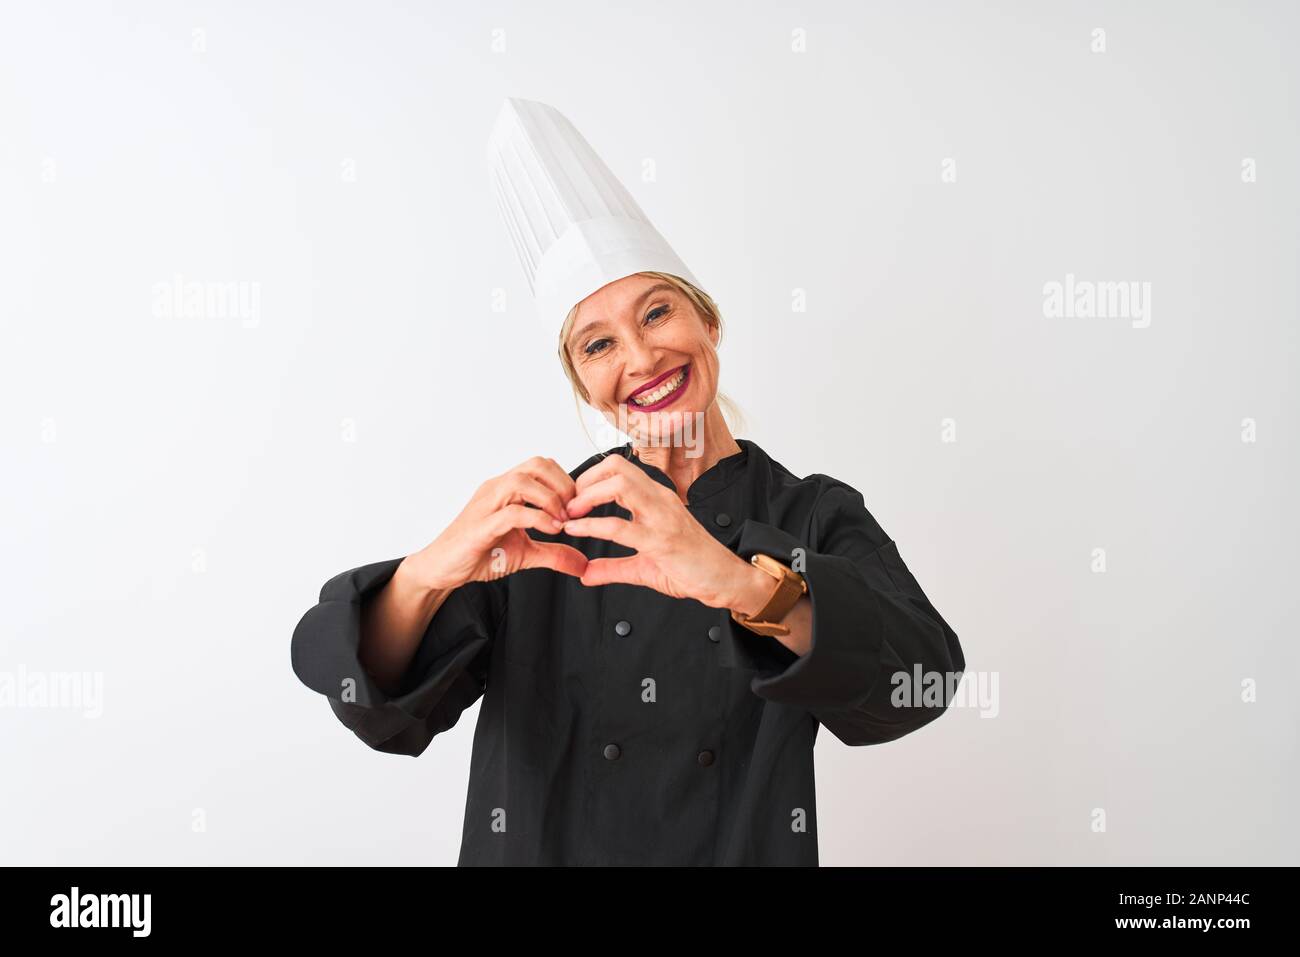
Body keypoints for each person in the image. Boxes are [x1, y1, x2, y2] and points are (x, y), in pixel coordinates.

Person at [290, 99, 964, 866]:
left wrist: (745, 586)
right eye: (599, 342)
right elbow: (378, 705)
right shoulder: (542, 527)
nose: (641, 359)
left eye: (657, 312)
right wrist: (428, 572)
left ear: (709, 323)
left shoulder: (809, 512)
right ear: (584, 383)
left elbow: (921, 681)